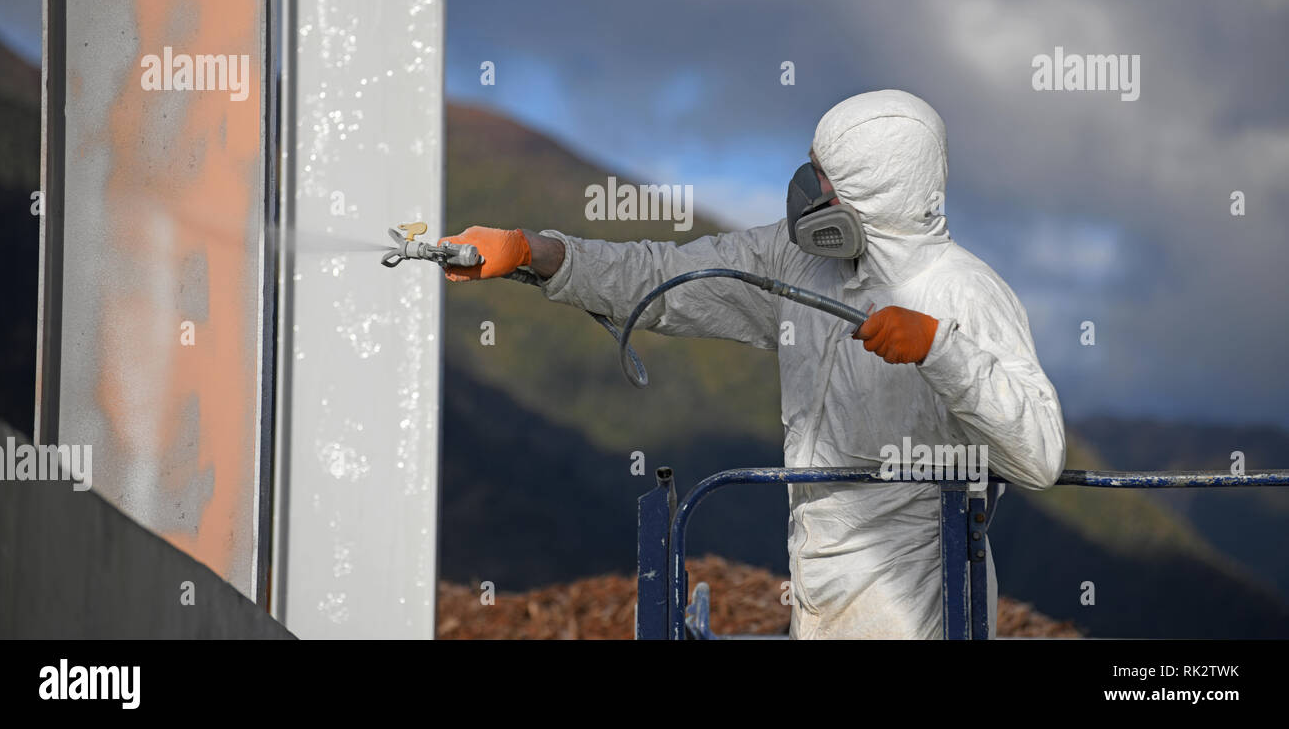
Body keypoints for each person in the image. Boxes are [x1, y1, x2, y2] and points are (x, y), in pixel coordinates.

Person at [440, 88, 1066, 639]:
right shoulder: (797, 262)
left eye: (824, 177)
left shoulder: (962, 293)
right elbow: (666, 276)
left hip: (920, 610)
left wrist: (941, 349)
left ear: (877, 190)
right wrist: (536, 252)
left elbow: (1038, 456)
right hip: (818, 593)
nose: (804, 190)